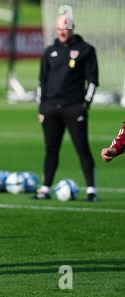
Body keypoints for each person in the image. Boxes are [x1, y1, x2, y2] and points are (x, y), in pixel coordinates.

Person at [33, 13, 99, 202]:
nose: (62, 31)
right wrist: (41, 108)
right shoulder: (49, 52)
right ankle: (45, 188)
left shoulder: (85, 50)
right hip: (51, 108)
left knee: (82, 148)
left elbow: (93, 80)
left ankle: (91, 190)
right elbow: (42, 82)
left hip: (74, 107)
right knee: (51, 149)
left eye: (66, 28)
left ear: (72, 28)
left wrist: (85, 104)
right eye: (59, 28)